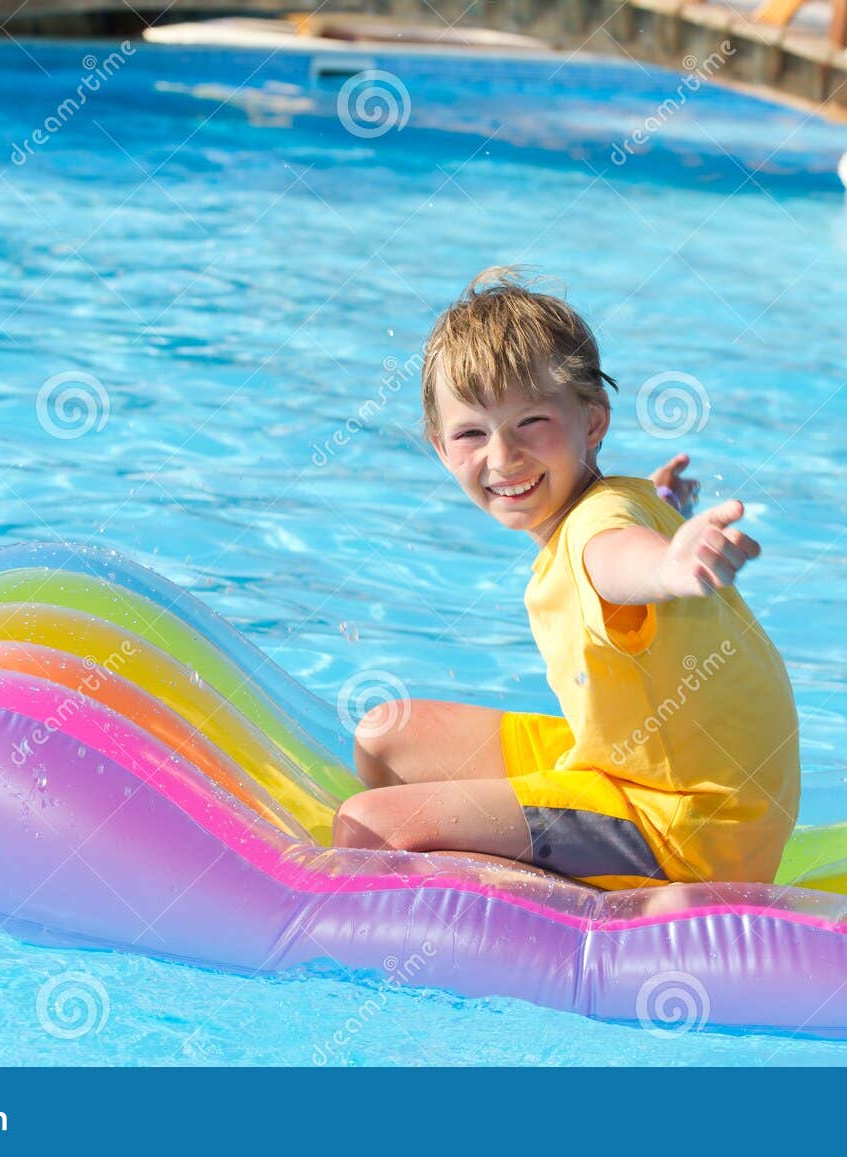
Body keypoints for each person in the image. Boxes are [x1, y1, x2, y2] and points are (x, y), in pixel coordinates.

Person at [332, 268, 799, 889]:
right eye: (472, 433)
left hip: (686, 828)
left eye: (531, 423)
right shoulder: (622, 498)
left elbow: (617, 560)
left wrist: (668, 565)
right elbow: (627, 534)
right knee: (384, 736)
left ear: (593, 423)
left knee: (371, 827)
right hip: (638, 772)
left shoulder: (596, 530)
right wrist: (667, 504)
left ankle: (559, 902)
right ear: (441, 450)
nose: (503, 457)